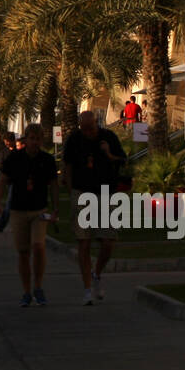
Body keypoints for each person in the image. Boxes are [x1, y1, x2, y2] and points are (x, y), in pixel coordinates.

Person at [62, 110, 127, 305]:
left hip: (106, 192)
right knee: (84, 241)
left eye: (89, 128)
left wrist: (108, 153)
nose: (87, 132)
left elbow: (122, 159)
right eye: (83, 128)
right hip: (82, 192)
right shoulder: (74, 139)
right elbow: (68, 165)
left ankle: (97, 273)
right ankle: (87, 288)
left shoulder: (109, 137)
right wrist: (70, 188)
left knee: (108, 241)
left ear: (96, 124)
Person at [0, 124, 59, 307]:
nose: (34, 142)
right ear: (26, 139)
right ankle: (27, 291)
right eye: (31, 138)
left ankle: (38, 287)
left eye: (38, 139)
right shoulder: (15, 158)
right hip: (18, 210)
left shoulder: (47, 160)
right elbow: (3, 180)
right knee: (23, 252)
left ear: (41, 140)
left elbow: (53, 184)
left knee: (38, 246)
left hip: (39, 210)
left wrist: (55, 208)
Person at [0, 130, 18, 233]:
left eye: (8, 141)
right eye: (5, 141)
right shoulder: (4, 152)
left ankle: (1, 224)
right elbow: (1, 165)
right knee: (11, 202)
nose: (7, 143)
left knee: (10, 202)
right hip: (8, 179)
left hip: (15, 181)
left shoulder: (18, 151)